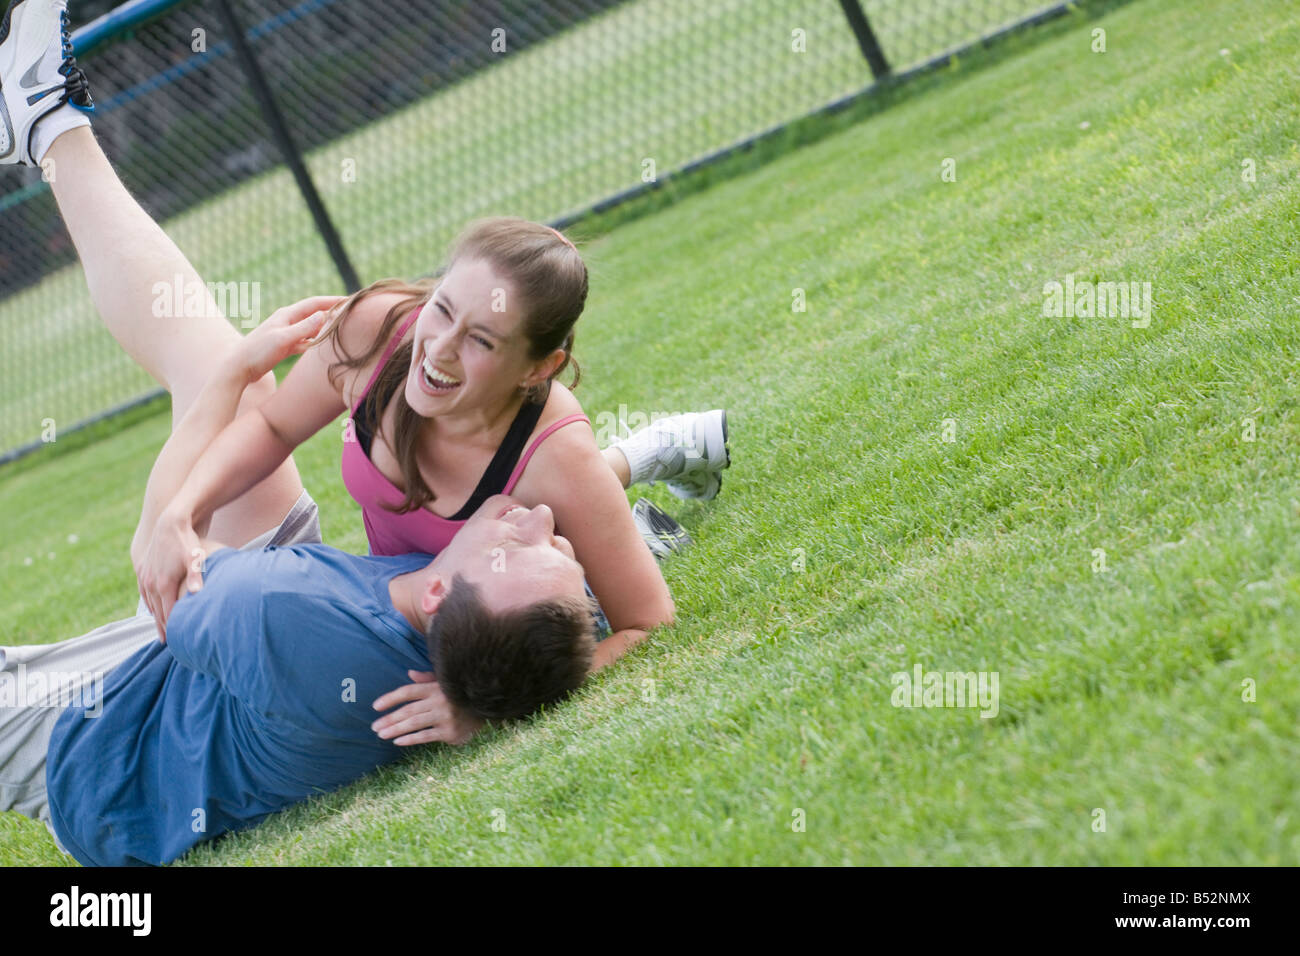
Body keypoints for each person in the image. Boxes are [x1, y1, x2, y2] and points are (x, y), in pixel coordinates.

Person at [0, 0, 724, 745]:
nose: (438, 350)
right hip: (358, 593)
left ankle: (641, 478)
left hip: (414, 644)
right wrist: (184, 513)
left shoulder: (557, 458)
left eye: (481, 340)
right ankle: (49, 122)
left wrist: (478, 714)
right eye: (442, 309)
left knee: (581, 521)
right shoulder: (382, 329)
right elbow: (276, 426)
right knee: (235, 376)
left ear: (542, 366)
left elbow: (649, 622)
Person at [0, 294, 600, 867]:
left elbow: (162, 555)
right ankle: (77, 177)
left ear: (441, 591)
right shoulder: (484, 632)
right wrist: (483, 711)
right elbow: (566, 633)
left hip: (100, 755)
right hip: (247, 674)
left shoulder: (282, 610)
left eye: (525, 544)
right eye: (561, 548)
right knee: (230, 387)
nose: (543, 519)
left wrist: (234, 373)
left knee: (218, 409)